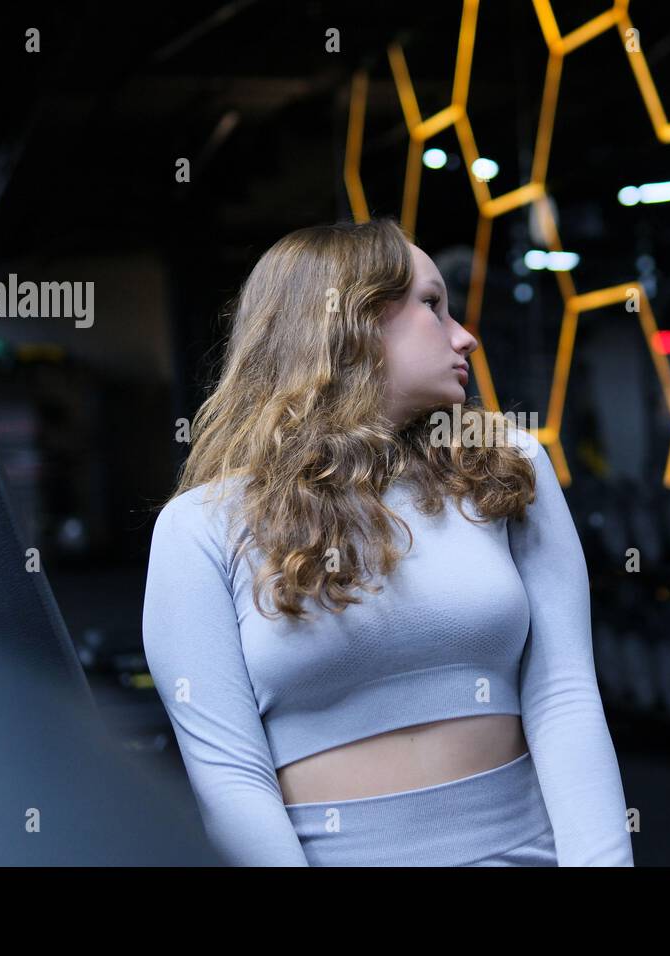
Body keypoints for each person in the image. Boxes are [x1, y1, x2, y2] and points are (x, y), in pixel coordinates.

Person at [141, 216, 634, 866]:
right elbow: (230, 778)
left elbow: (565, 694)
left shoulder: (508, 468)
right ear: (353, 318)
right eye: (433, 305)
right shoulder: (201, 526)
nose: (466, 337)